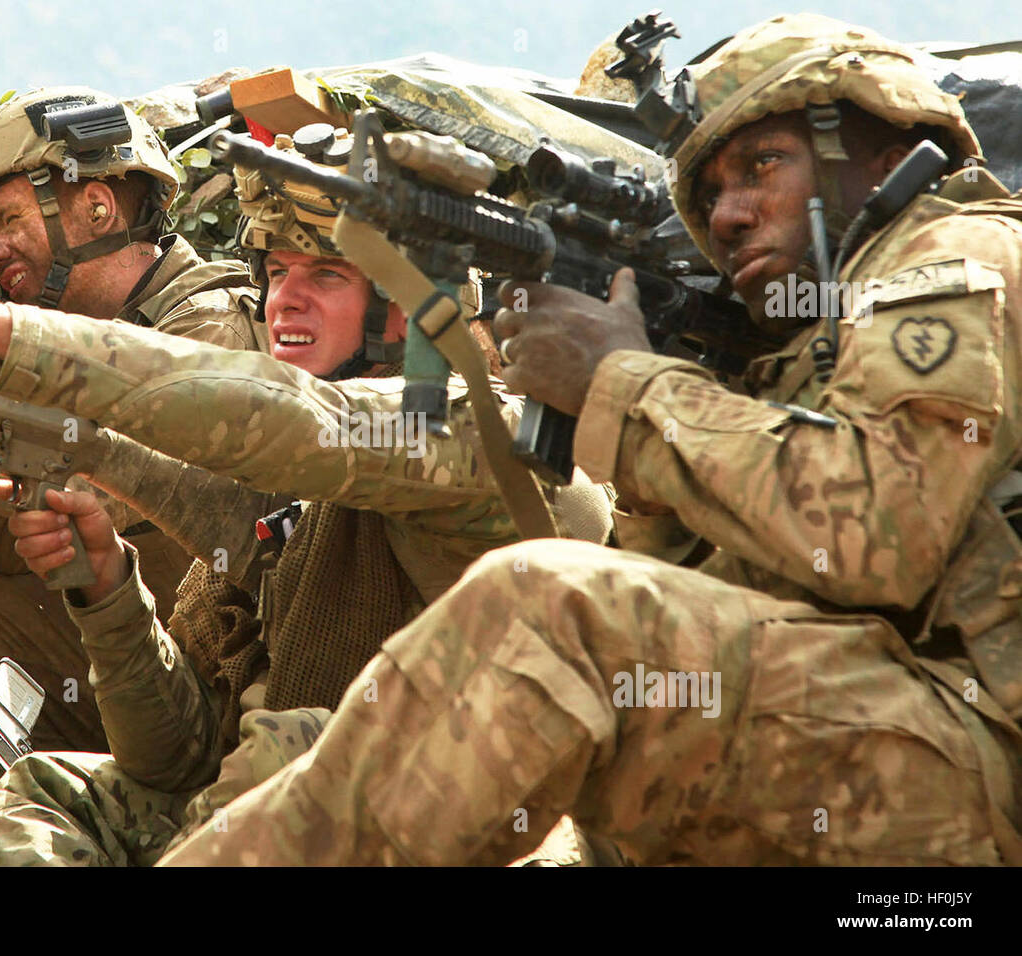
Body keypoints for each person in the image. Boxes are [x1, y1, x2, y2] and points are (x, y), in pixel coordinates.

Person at [151, 13, 1022, 866]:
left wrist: (624, 380)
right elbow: (697, 579)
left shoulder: (957, 256)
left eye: (764, 165)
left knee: (550, 609)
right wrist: (641, 439)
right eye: (712, 190)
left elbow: (879, 536)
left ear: (883, 149)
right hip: (898, 723)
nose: (728, 215)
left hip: (978, 753)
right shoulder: (809, 337)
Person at [0, 128, 614, 865]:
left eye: (326, 277)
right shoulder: (297, 504)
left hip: (463, 818)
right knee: (51, 790)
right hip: (286, 810)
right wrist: (109, 592)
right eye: (277, 273)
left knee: (291, 746)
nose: (285, 302)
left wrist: (5, 334)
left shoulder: (484, 435)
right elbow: (177, 760)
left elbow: (300, 420)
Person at [0, 87, 263, 757]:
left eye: (9, 220)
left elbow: (53, 517)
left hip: (210, 687)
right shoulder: (81, 333)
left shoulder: (207, 328)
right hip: (134, 641)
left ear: (96, 207)